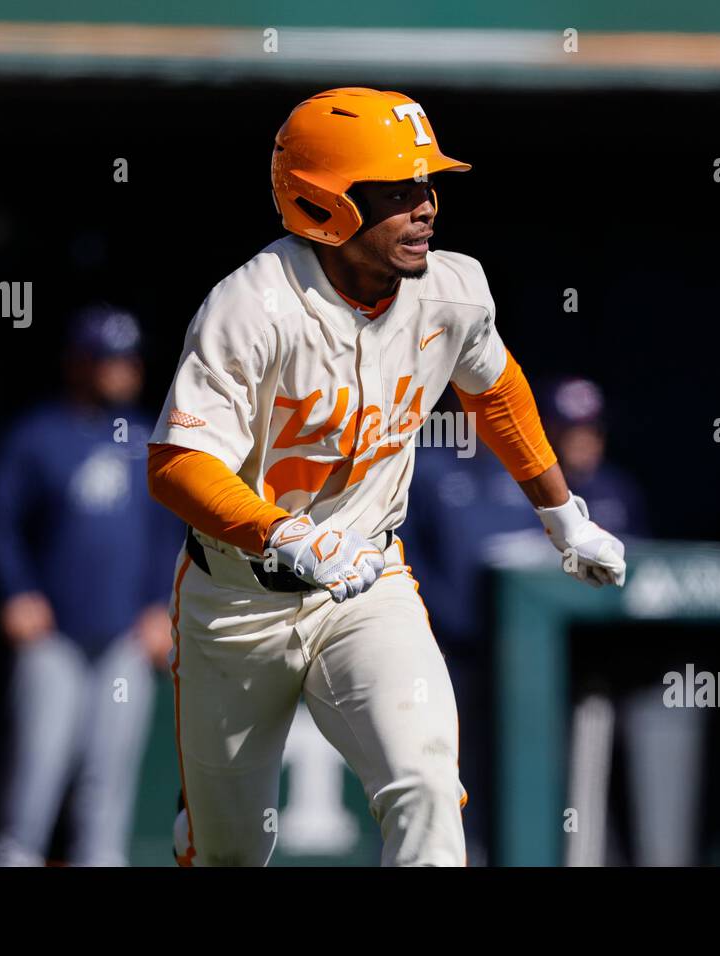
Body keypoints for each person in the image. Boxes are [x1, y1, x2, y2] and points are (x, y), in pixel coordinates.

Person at [147, 87, 628, 867]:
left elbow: (493, 387)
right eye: (397, 191)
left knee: (427, 785)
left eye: (428, 186)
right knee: (229, 853)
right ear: (322, 204)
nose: (426, 207)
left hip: (370, 578)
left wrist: (562, 514)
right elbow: (176, 467)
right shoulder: (253, 304)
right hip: (238, 596)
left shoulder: (454, 288)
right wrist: (284, 534)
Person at [404, 377, 646, 864]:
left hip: (532, 662)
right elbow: (407, 558)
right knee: (439, 774)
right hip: (449, 657)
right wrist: (445, 623)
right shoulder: (428, 470)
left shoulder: (535, 476)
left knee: (533, 777)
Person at [0, 304, 179, 866]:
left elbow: (169, 533)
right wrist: (16, 590)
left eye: (128, 359)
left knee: (108, 773)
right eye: (107, 360)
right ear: (77, 363)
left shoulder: (150, 440)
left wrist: (158, 608)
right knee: (38, 764)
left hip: (123, 635)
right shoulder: (37, 437)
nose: (122, 370)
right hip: (55, 635)